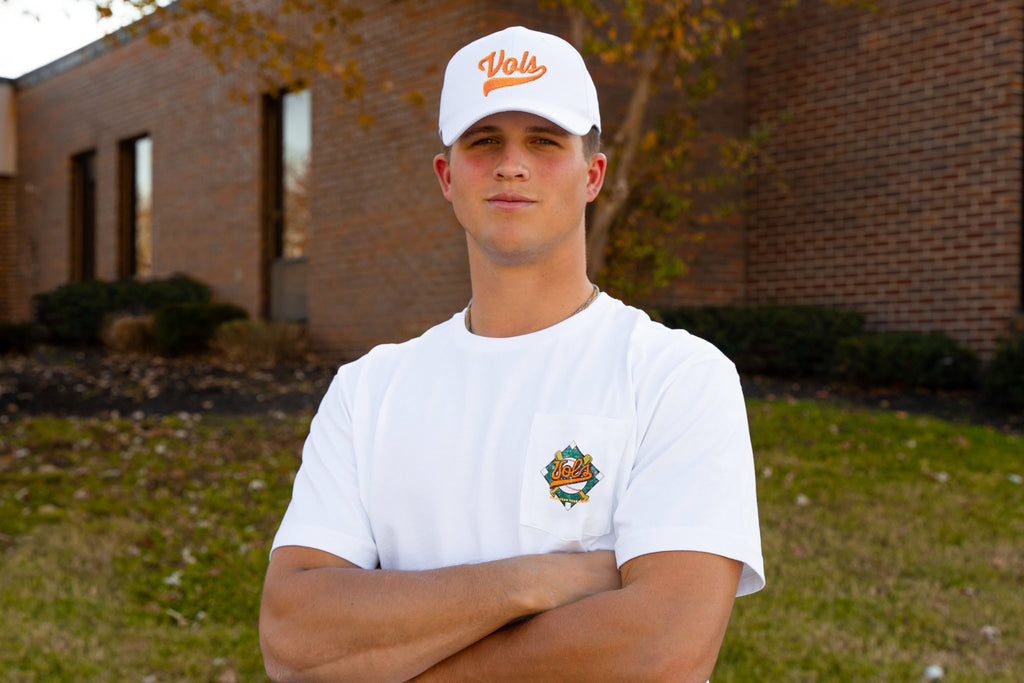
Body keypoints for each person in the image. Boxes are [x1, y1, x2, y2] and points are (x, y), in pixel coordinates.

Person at [259, 25, 764, 682]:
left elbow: (662, 652)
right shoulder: (367, 390)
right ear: (447, 176)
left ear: (594, 175)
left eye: (545, 141)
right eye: (484, 141)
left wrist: (386, 658)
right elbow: (293, 634)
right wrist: (534, 581)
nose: (512, 163)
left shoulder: (676, 377)